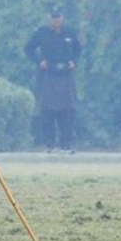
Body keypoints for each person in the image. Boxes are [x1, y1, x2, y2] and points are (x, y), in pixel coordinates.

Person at [24, 9, 81, 151]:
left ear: (63, 18)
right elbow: (28, 48)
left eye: (58, 17)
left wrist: (74, 61)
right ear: (49, 18)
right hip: (48, 76)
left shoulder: (70, 32)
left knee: (67, 110)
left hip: (65, 76)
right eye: (53, 17)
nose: (56, 20)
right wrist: (39, 61)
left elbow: (78, 49)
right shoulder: (41, 33)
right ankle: (49, 144)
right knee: (47, 110)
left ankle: (66, 144)